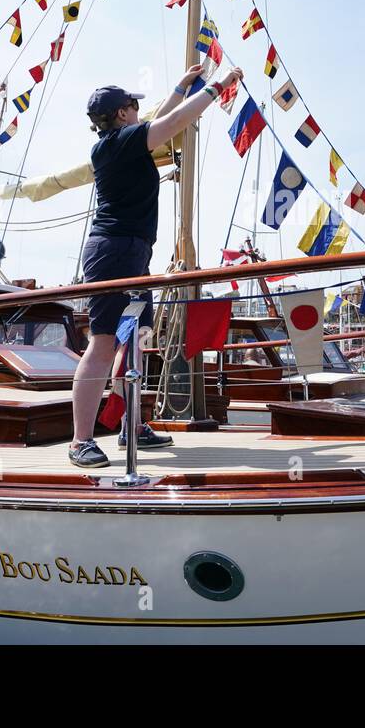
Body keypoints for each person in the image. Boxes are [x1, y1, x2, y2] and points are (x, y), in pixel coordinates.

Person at [70, 63, 244, 468]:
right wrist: (216, 87)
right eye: (132, 105)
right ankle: (81, 441)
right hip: (113, 252)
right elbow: (177, 121)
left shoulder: (118, 142)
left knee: (133, 340)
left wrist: (183, 85)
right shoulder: (122, 142)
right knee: (103, 342)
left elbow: (161, 118)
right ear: (121, 113)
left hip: (131, 252)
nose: (137, 110)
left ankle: (132, 425)